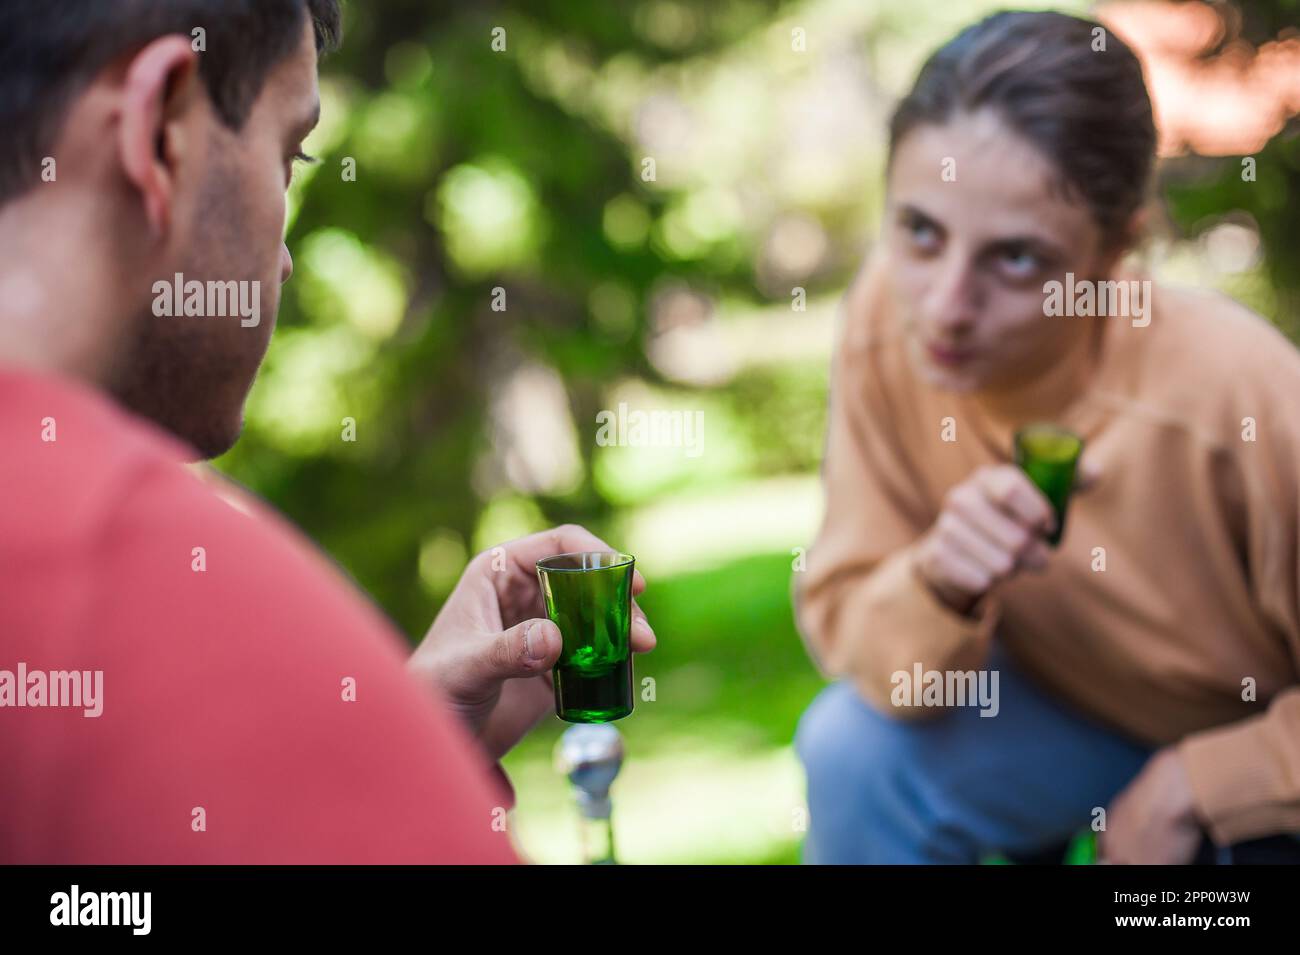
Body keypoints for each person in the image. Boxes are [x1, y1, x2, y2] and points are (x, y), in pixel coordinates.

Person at [0, 1, 655, 862]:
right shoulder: (148, 570)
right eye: (288, 153)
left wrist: (408, 735)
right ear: (160, 133)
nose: (287, 251)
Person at [794, 10, 1300, 864]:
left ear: (1117, 254)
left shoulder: (1241, 394)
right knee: (851, 750)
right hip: (1069, 715)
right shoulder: (887, 320)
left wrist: (1203, 784)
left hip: (1259, 738)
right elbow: (864, 647)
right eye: (920, 230)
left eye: (1018, 259)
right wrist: (937, 584)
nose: (945, 307)